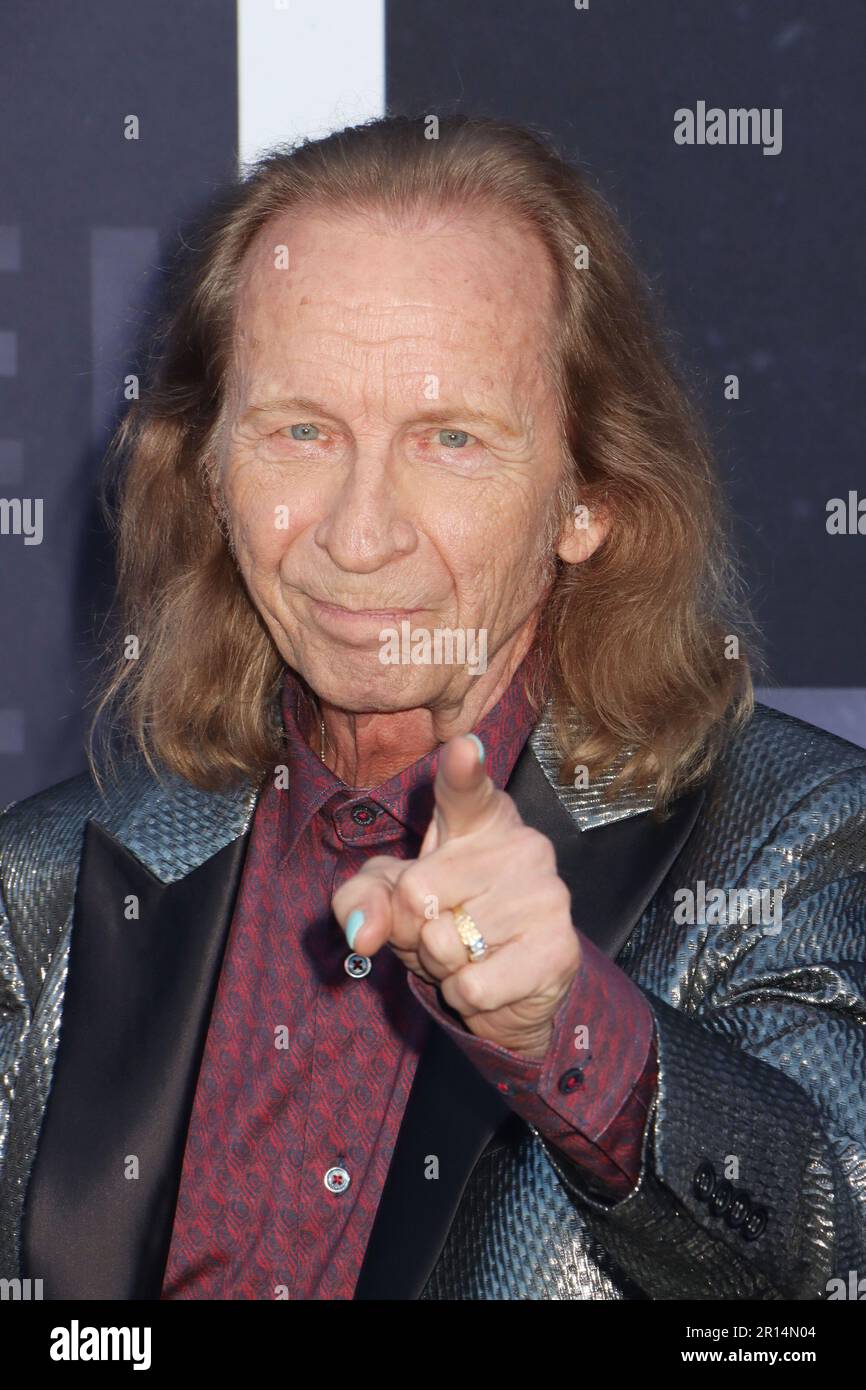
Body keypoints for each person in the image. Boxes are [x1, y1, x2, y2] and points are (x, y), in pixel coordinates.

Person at [1, 114, 864, 1301]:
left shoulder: (795, 835)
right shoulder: (42, 885)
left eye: (449, 440)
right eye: (300, 432)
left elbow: (831, 1248)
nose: (359, 537)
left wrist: (566, 1030)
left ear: (588, 500)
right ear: (207, 472)